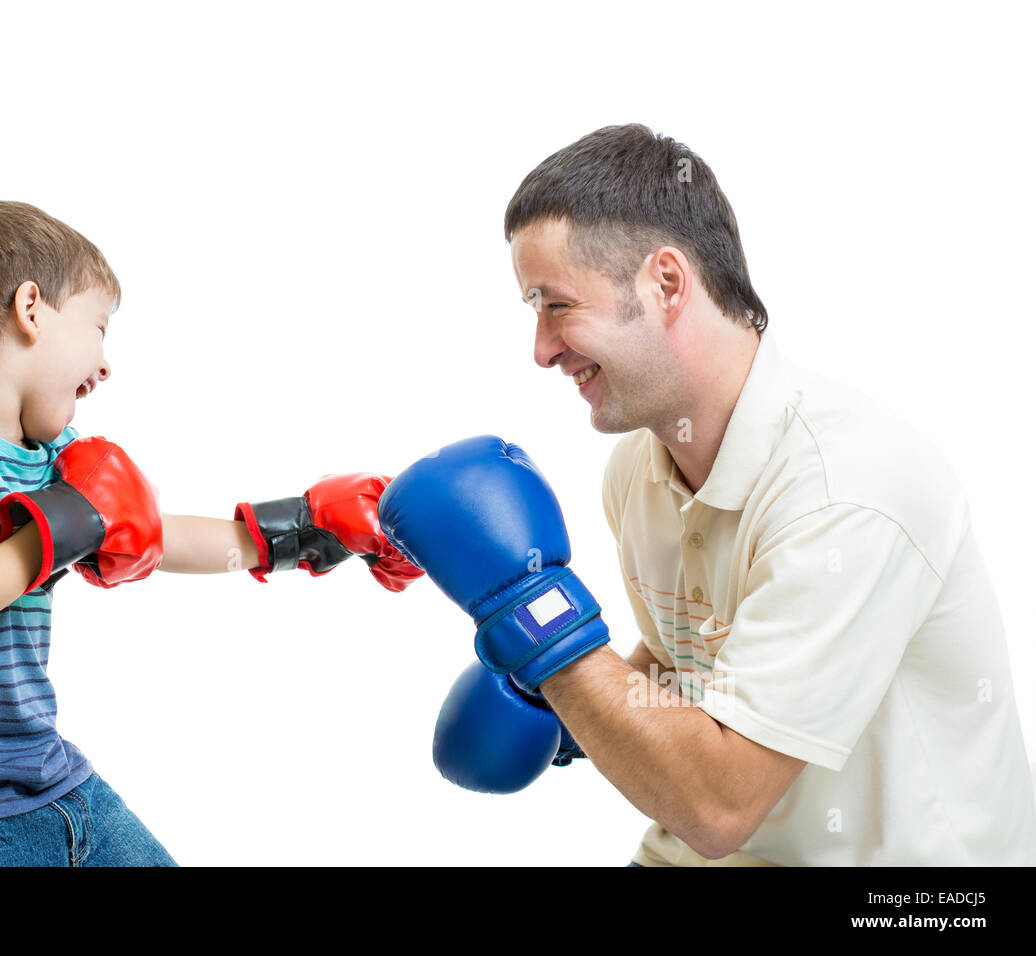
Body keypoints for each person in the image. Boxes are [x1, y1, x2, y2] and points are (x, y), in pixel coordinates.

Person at [392, 124, 1036, 865]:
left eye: (558, 306)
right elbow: (689, 662)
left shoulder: (847, 492)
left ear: (666, 284)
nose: (541, 350)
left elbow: (719, 805)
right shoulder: (638, 470)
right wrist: (559, 709)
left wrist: (535, 622)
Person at [0, 201, 420, 866]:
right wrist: (59, 526)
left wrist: (297, 530)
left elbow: (155, 536)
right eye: (98, 328)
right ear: (30, 309)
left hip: (51, 779)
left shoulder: (53, 456)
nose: (105, 366)